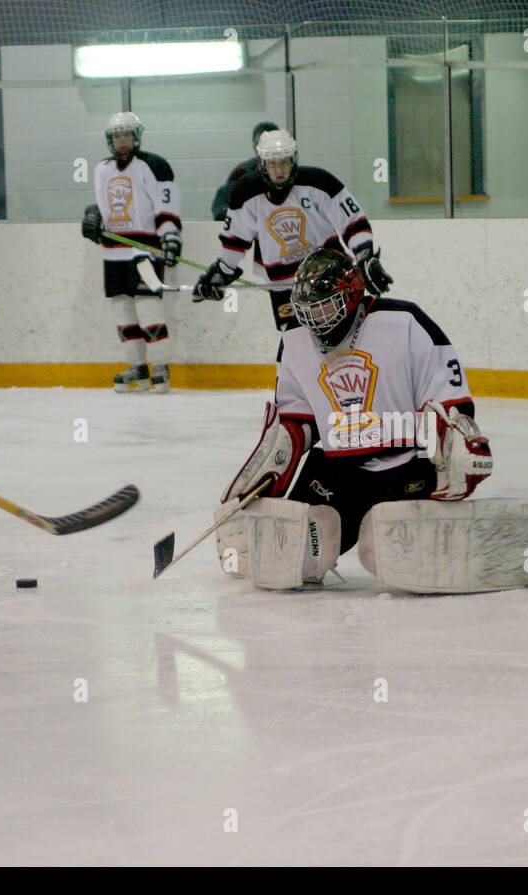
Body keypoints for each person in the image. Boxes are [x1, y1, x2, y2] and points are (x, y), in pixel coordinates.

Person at [214, 247, 494, 589]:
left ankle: (468, 542)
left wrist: (456, 442)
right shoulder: (293, 341)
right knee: (294, 557)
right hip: (336, 470)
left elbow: (452, 403)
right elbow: (298, 417)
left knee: (388, 554)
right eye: (308, 312)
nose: (317, 322)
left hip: (407, 467)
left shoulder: (405, 322)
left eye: (326, 308)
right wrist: (277, 457)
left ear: (351, 293)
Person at [192, 129, 393, 332]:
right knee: (295, 339)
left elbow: (353, 222)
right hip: (282, 283)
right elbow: (235, 239)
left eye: (284, 162)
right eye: (272, 163)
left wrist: (364, 254)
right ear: (262, 163)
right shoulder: (246, 192)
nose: (279, 170)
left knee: (342, 331)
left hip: (328, 275)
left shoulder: (320, 182)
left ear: (293, 160)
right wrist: (222, 272)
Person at [81, 111, 180, 392]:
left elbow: (166, 205)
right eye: (117, 136)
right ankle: (138, 368)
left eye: (127, 135)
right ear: (109, 140)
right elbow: (103, 206)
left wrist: (170, 236)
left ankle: (160, 366)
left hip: (145, 250)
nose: (122, 142)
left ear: (136, 137)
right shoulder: (101, 169)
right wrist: (94, 217)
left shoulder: (154, 166)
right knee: (122, 309)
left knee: (148, 307)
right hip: (113, 252)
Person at [210, 121, 279, 221]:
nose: (261, 149)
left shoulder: (290, 172)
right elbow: (223, 200)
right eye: (257, 144)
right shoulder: (242, 172)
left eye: (266, 144)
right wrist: (227, 214)